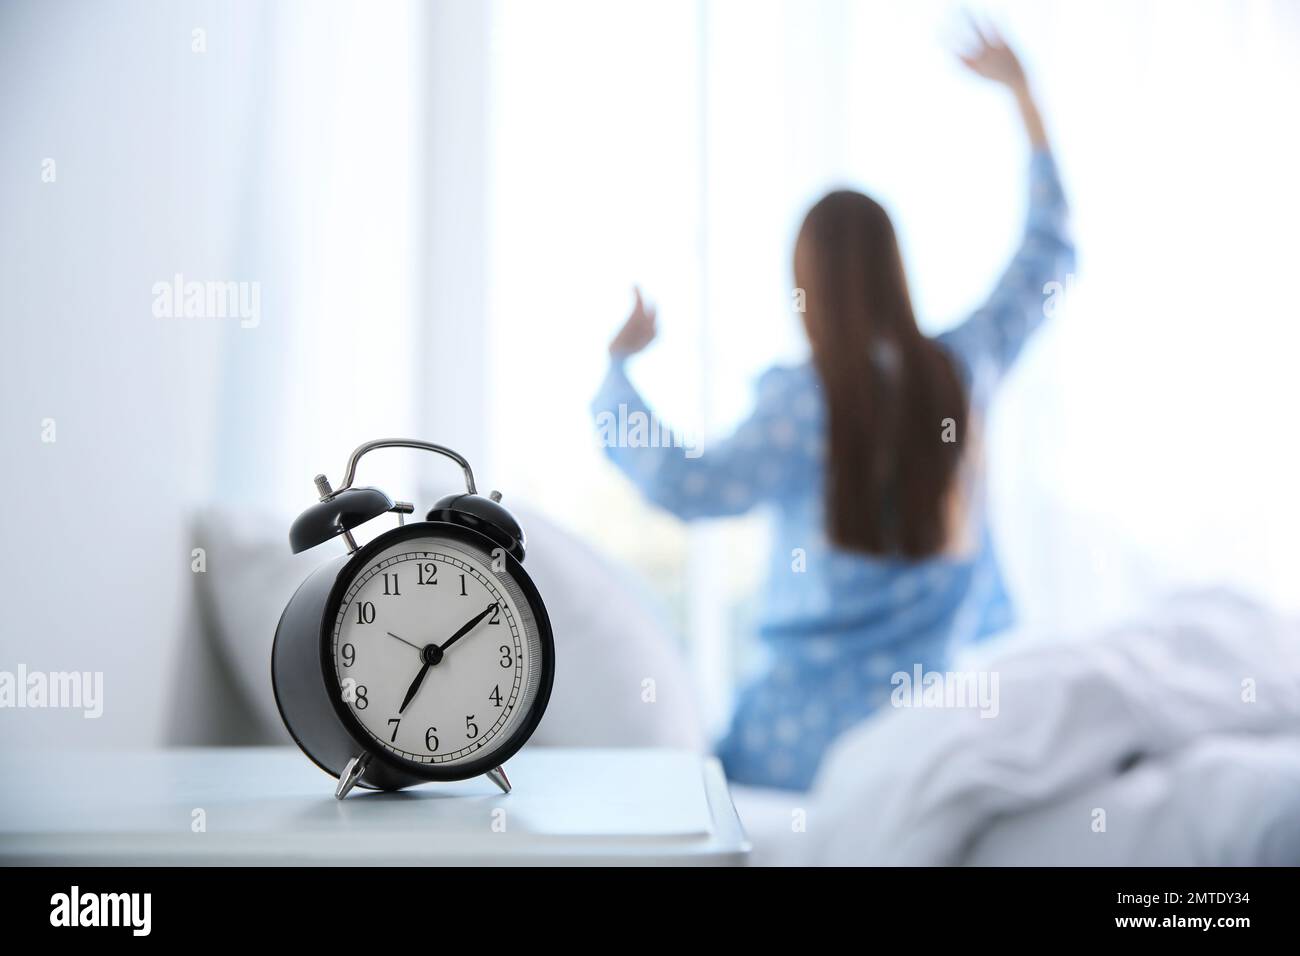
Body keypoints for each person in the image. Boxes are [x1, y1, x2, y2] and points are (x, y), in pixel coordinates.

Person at [591, 25, 1074, 790]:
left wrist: (619, 372)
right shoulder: (962, 369)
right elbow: (1047, 250)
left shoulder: (800, 404)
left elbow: (684, 484)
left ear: (805, 287)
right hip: (924, 747)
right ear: (895, 270)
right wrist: (1024, 96)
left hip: (790, 750)